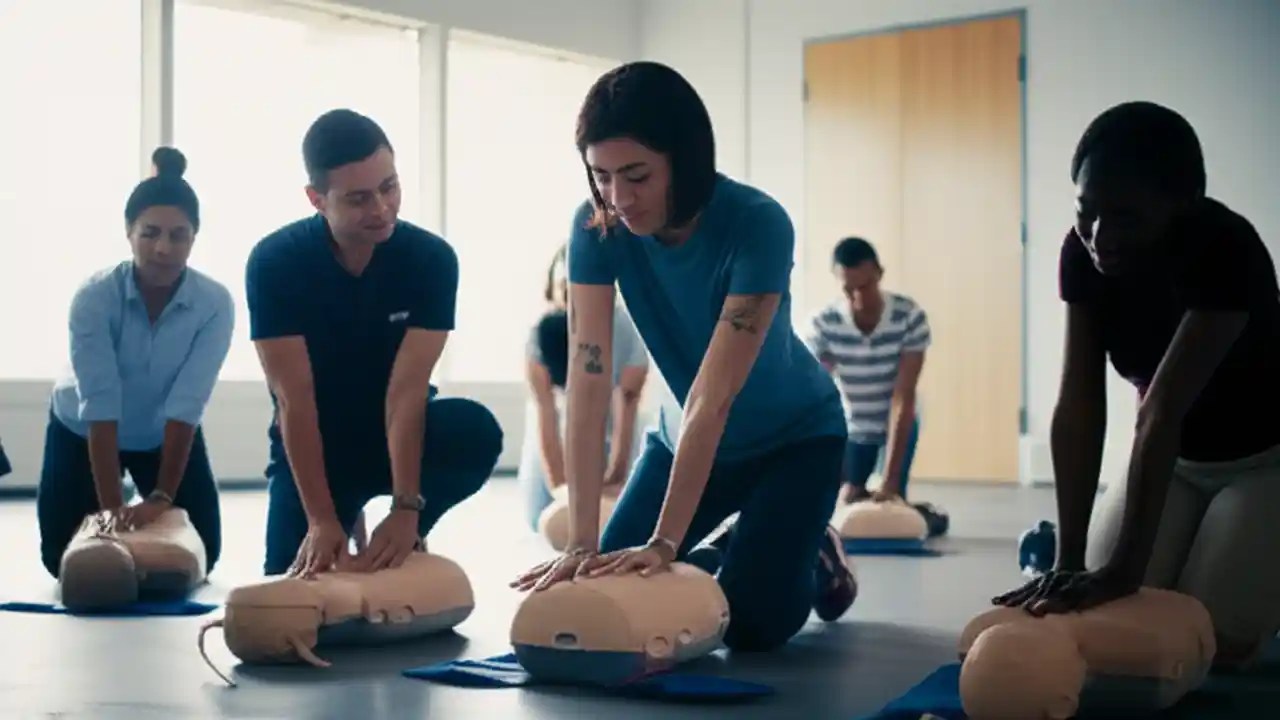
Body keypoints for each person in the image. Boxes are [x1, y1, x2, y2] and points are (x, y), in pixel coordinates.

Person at [511, 61, 858, 651]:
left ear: (685, 160)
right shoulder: (594, 226)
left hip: (794, 441)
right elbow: (588, 379)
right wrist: (580, 541)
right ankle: (732, 546)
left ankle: (810, 548)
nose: (618, 198)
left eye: (637, 175)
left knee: (754, 624)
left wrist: (668, 543)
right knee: (608, 582)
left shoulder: (757, 223)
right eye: (601, 176)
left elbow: (712, 396)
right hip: (681, 441)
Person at [993, 101, 1280, 669]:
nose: (1101, 236)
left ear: (1183, 205)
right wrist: (1068, 561)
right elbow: (1079, 403)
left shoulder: (1227, 247)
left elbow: (1162, 408)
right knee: (1104, 617)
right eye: (1087, 210)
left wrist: (1122, 572)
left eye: (1125, 216)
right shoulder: (1082, 254)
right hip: (1173, 462)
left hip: (1265, 461)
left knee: (1206, 634)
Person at [246, 108, 503, 578]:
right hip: (319, 444)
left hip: (399, 437)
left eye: (389, 187)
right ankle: (341, 516)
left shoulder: (432, 260)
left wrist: (408, 508)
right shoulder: (275, 263)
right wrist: (323, 520)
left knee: (475, 430)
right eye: (359, 198)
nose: (382, 209)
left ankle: (404, 534)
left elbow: (407, 391)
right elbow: (293, 400)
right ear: (317, 199)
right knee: (288, 592)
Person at [38, 147, 232, 578]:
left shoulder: (214, 304)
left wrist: (162, 496)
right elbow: (100, 405)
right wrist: (113, 512)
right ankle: (114, 492)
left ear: (194, 237)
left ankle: (141, 491)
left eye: (178, 235)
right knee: (63, 562)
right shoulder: (94, 297)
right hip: (82, 427)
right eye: (150, 233)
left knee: (206, 553)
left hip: (161, 432)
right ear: (128, 232)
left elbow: (188, 403)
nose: (163, 248)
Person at [519, 243, 649, 531]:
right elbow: (546, 410)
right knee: (542, 518)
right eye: (565, 290)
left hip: (614, 432)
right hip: (560, 436)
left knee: (622, 515)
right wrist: (561, 488)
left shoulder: (626, 328)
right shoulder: (543, 332)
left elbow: (627, 401)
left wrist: (615, 477)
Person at [805, 237, 930, 504]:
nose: (858, 298)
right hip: (853, 426)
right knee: (847, 498)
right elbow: (816, 395)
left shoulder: (909, 317)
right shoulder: (824, 323)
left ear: (879, 273)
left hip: (895, 422)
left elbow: (903, 397)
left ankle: (922, 513)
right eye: (849, 290)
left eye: (865, 286)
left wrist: (890, 480)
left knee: (889, 501)